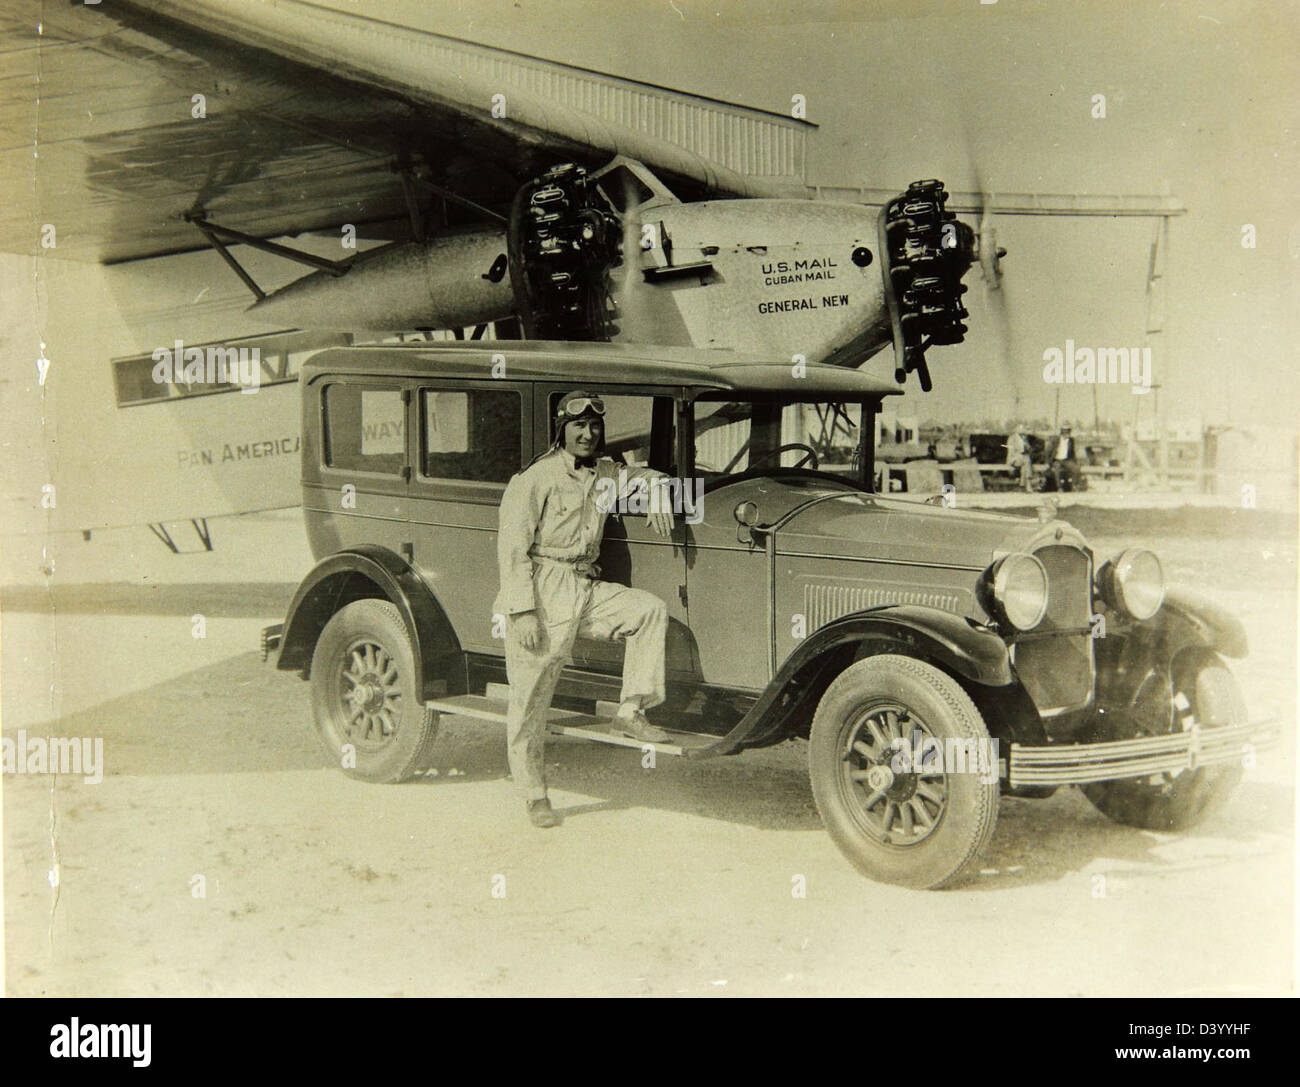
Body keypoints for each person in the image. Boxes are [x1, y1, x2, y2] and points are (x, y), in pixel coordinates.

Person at [494, 390, 675, 828]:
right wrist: (522, 613)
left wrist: (660, 489)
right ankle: (534, 794)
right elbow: (512, 549)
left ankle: (630, 712)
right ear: (562, 430)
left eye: (595, 427)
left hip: (583, 585)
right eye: (579, 426)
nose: (588, 434)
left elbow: (644, 474)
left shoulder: (605, 473)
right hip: (541, 590)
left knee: (648, 610)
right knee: (530, 698)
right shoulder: (535, 478)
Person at [1006, 426, 1031, 491]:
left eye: (1023, 429)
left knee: (1025, 463)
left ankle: (1023, 484)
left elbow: (1029, 450)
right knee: (1026, 461)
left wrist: (1027, 446)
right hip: (1014, 459)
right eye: (1020, 429)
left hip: (1023, 459)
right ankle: (1027, 484)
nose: (1022, 431)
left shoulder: (1024, 438)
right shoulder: (1012, 438)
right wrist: (1019, 454)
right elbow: (1011, 451)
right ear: (1016, 429)